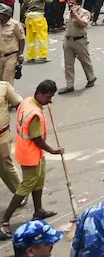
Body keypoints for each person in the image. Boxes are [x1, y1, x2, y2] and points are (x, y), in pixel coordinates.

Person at [4, 80, 61, 237]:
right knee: (26, 186)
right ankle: (4, 220)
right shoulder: (34, 114)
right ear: (40, 94)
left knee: (39, 181)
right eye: (48, 97)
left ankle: (39, 211)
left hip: (30, 151)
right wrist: (53, 151)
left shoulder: (28, 101)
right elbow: (37, 139)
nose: (50, 101)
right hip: (30, 153)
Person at [60, 0, 96, 93]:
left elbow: (83, 24)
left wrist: (75, 15)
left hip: (80, 41)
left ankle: (91, 78)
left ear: (78, 4)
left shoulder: (85, 13)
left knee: (85, 61)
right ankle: (69, 85)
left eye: (72, 3)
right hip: (68, 40)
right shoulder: (68, 13)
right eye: (70, 3)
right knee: (68, 64)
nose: (70, 5)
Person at [0, 4, 24, 83]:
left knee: (7, 81)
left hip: (11, 56)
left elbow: (21, 40)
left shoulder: (15, 25)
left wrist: (20, 54)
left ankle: (7, 95)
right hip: (0, 55)